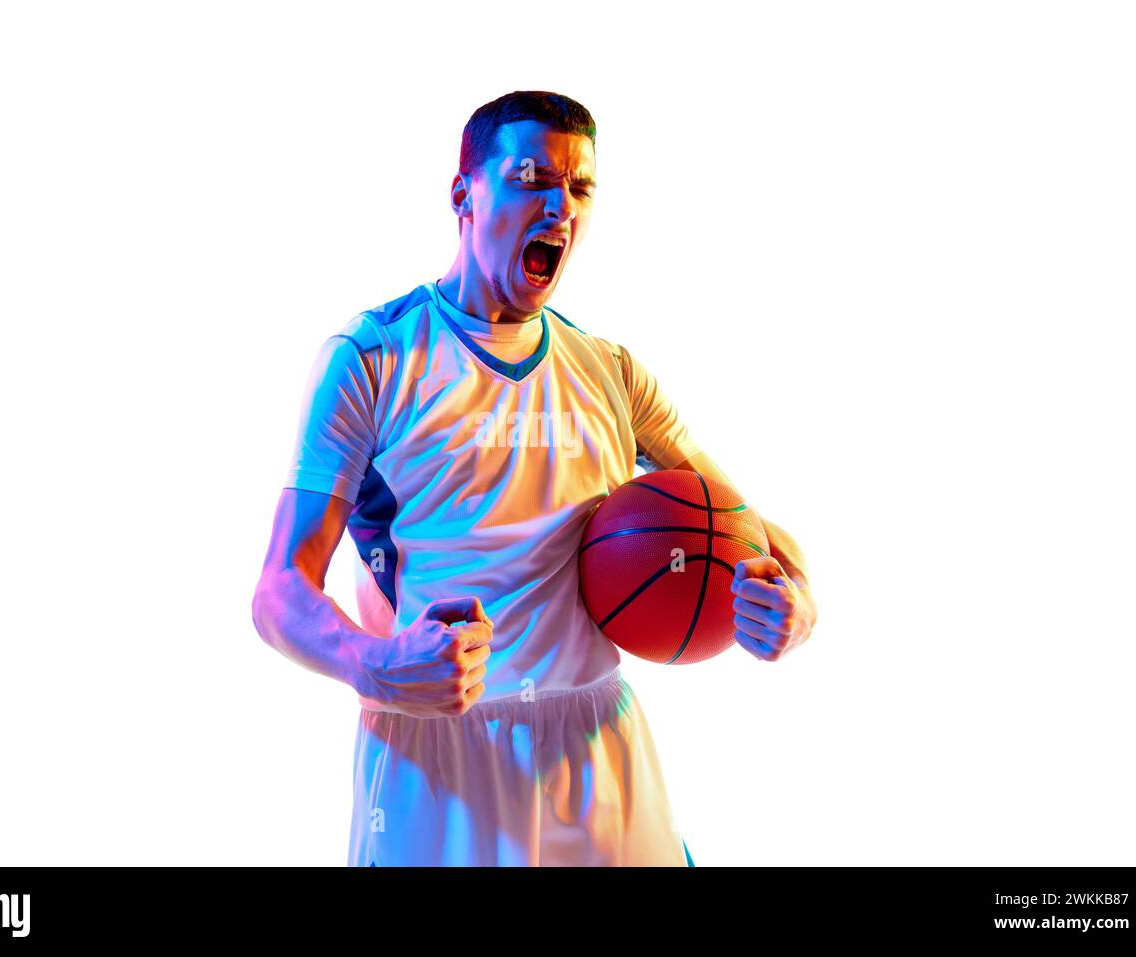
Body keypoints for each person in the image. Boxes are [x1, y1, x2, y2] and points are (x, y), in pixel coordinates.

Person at [250, 91, 817, 866]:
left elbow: (745, 524)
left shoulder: (609, 371)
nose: (560, 206)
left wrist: (797, 603)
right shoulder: (373, 357)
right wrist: (372, 662)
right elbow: (279, 590)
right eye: (531, 178)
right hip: (434, 751)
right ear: (464, 193)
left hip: (598, 747)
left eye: (580, 188)